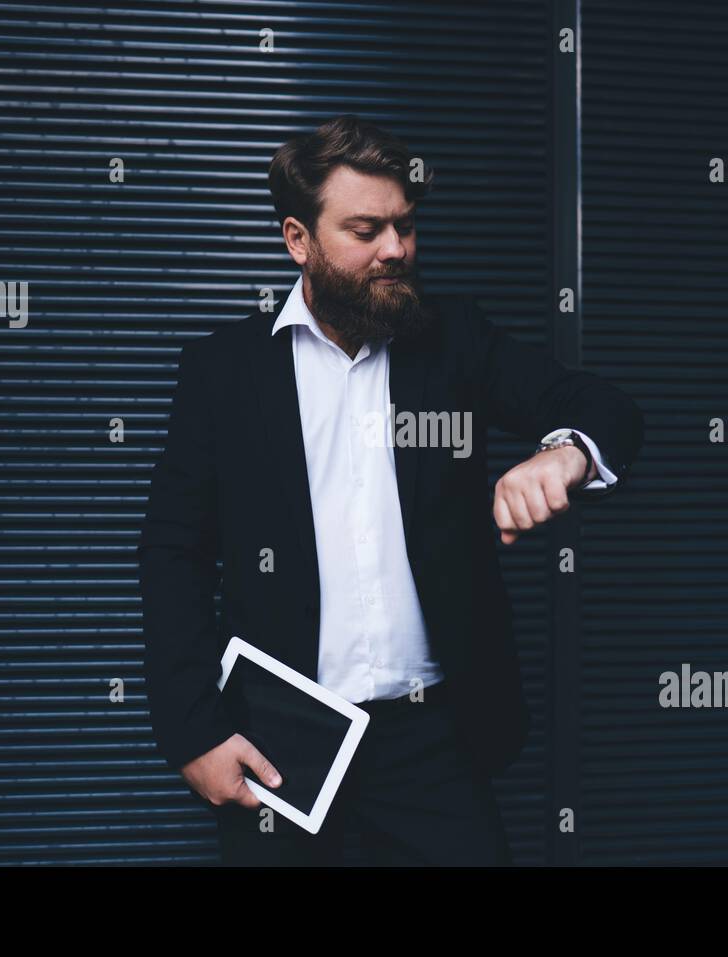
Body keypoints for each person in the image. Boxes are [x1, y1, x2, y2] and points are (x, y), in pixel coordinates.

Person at [137, 114, 644, 865]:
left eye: (405, 227)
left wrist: (565, 454)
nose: (396, 250)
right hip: (283, 742)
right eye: (366, 229)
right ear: (297, 239)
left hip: (433, 743)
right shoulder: (223, 374)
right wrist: (195, 733)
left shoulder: (454, 341)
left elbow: (603, 406)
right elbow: (171, 554)